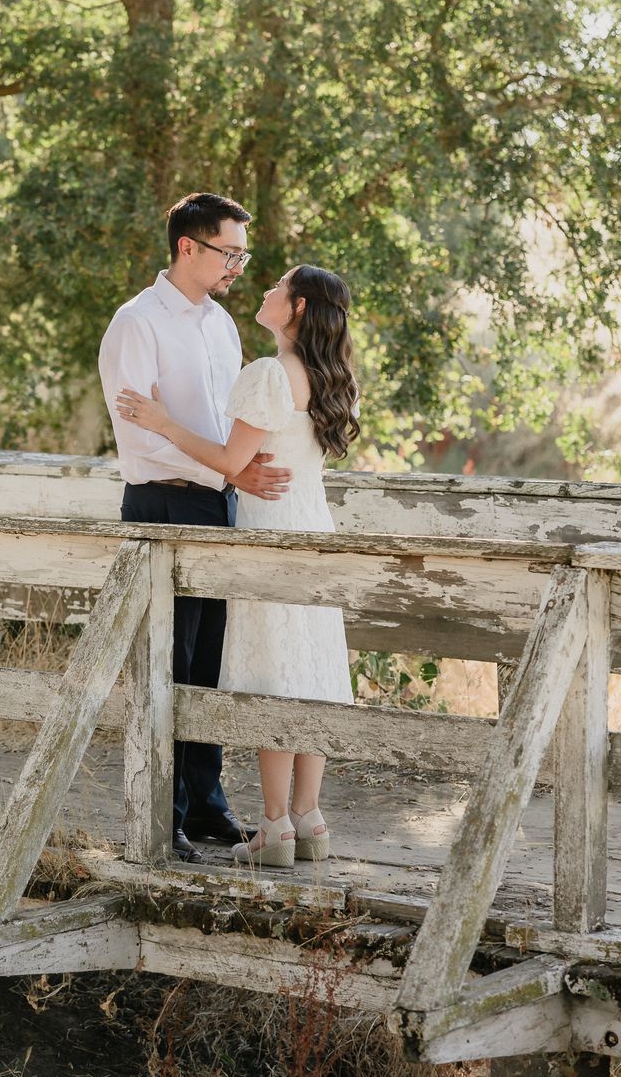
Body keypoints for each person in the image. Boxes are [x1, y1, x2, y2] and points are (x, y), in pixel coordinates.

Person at [116, 263, 359, 870]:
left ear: (297, 307)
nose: (266, 290)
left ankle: (274, 826)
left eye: (279, 287)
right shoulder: (334, 377)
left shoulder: (272, 374)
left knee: (275, 672)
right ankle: (310, 817)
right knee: (309, 667)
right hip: (312, 528)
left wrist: (163, 422)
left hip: (268, 532)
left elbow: (230, 459)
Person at [98, 193, 292, 864]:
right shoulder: (137, 323)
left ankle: (207, 806)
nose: (237, 265)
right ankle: (164, 815)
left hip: (220, 506)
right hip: (163, 504)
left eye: (242, 254)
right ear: (189, 246)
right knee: (169, 664)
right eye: (228, 252)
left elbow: (225, 427)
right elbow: (139, 437)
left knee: (210, 665)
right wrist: (227, 470)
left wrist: (239, 471)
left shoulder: (222, 324)